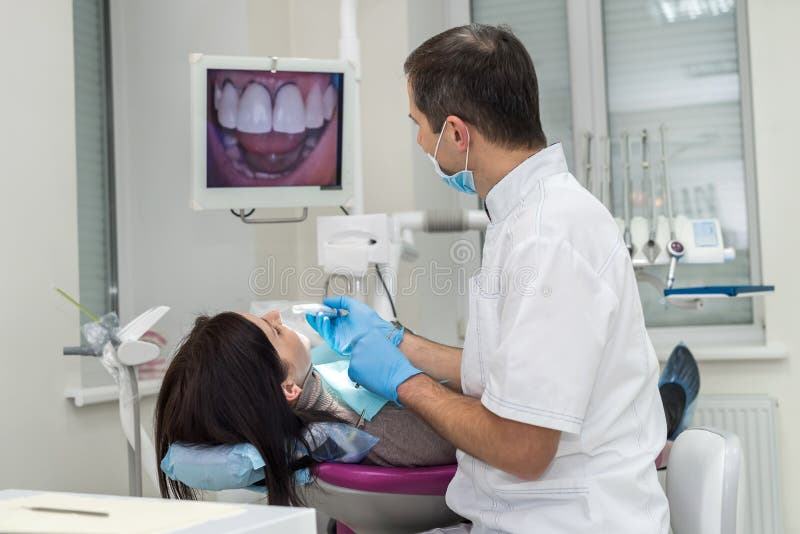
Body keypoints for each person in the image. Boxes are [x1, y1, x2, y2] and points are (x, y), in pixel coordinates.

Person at [306, 24, 670, 532]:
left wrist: (405, 383)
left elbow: (524, 447)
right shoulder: (525, 217)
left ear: (457, 134)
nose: (420, 140)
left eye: (419, 125)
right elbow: (510, 371)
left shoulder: (547, 238)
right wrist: (397, 341)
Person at [154, 311, 455, 506]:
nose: (275, 315)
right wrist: (401, 349)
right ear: (288, 388)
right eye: (274, 331)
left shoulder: (313, 384)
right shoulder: (364, 426)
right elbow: (457, 437)